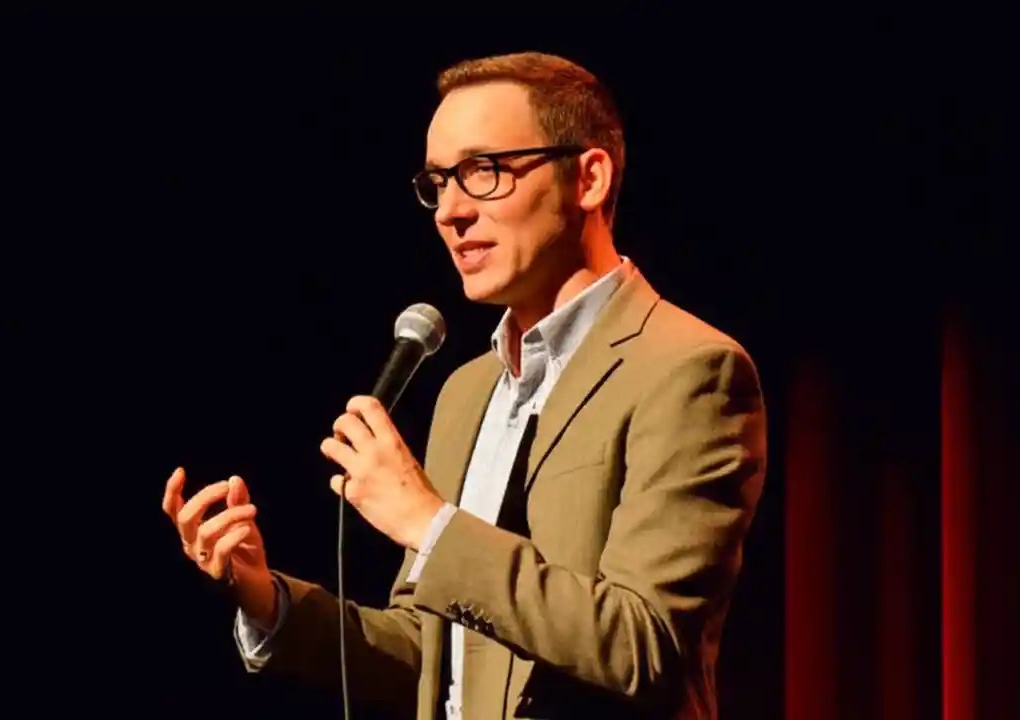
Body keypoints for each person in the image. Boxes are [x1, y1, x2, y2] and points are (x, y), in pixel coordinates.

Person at [161, 51, 767, 720]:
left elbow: (645, 645)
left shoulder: (688, 370)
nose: (449, 211)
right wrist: (264, 596)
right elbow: (433, 656)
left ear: (589, 178)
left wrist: (429, 521)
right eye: (437, 181)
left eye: (483, 172)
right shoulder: (467, 390)